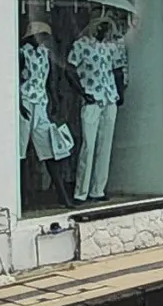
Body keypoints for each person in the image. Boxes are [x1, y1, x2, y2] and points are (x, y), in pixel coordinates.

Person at [70, 13, 128, 202]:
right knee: (88, 145)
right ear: (95, 27)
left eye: (108, 28)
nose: (106, 32)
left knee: (105, 146)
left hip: (109, 97)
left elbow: (117, 70)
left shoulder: (110, 47)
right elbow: (69, 69)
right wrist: (82, 92)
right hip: (92, 99)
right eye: (103, 28)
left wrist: (120, 93)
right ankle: (81, 192)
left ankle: (98, 190)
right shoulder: (81, 45)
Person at [19, 21, 75, 204]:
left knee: (50, 149)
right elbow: (16, 79)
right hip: (26, 102)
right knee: (20, 151)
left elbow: (48, 81)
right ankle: (21, 196)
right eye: (41, 35)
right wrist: (19, 104)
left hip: (41, 103)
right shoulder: (22, 52)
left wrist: (53, 101)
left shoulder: (44, 54)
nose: (43, 39)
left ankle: (62, 196)